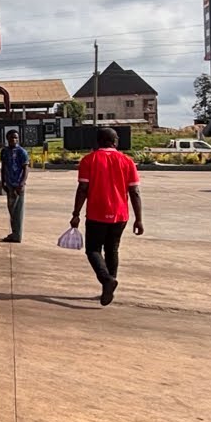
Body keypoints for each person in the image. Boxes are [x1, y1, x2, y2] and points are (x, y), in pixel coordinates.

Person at [70, 127, 144, 306]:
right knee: (112, 250)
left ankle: (106, 280)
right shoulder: (127, 161)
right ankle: (109, 284)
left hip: (97, 213)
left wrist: (76, 213)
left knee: (93, 250)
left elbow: (83, 189)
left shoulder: (89, 160)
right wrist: (139, 219)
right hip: (120, 215)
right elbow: (134, 192)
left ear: (98, 141)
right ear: (114, 141)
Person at [0, 129, 29, 243]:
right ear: (7, 139)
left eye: (16, 138)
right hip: (9, 185)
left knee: (18, 211)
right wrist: (3, 182)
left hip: (18, 185)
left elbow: (26, 168)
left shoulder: (22, 152)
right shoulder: (5, 151)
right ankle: (14, 232)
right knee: (11, 209)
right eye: (11, 137)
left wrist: (22, 183)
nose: (14, 140)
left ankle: (17, 235)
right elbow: (3, 167)